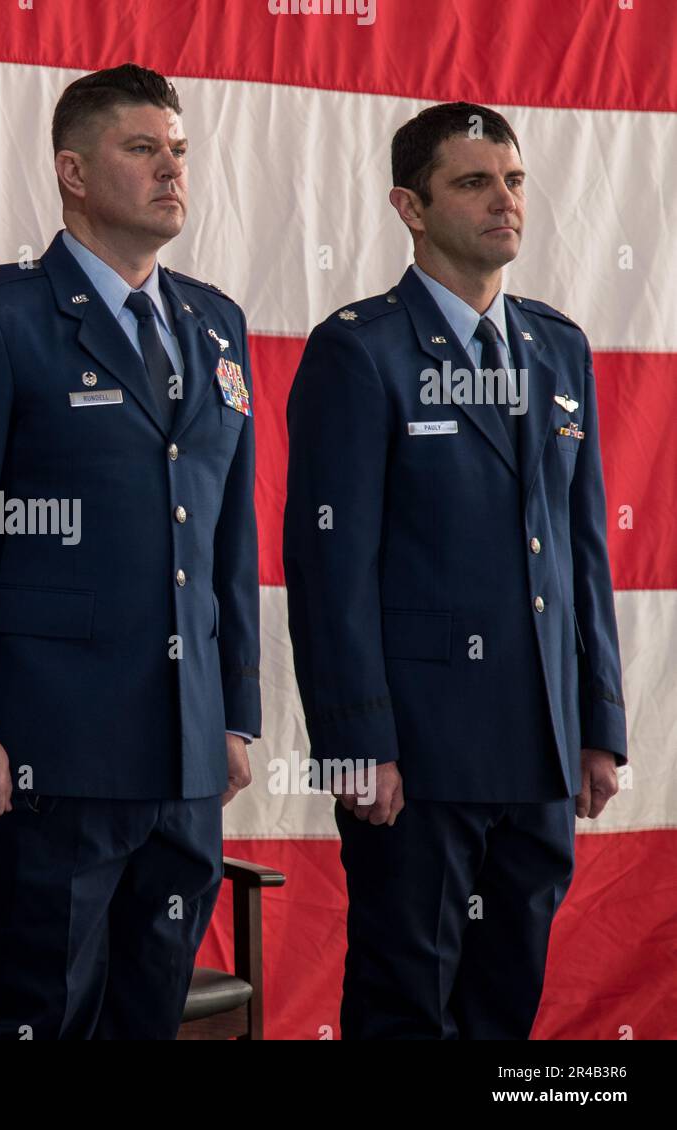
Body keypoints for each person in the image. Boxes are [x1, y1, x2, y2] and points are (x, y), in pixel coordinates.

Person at [0, 63, 261, 1039]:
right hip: (46, 746)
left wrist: (237, 712)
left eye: (177, 150)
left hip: (184, 752)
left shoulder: (214, 324)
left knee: (151, 1008)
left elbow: (228, 537)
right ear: (74, 172)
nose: (170, 170)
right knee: (43, 1010)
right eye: (142, 149)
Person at [283, 101, 627, 1039]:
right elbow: (328, 570)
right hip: (418, 754)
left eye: (513, 180)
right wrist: (358, 743)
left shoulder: (558, 346)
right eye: (473, 182)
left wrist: (599, 724)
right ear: (411, 205)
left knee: (504, 1004)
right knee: (406, 1002)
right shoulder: (359, 351)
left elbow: (581, 550)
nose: (504, 201)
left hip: (543, 749)